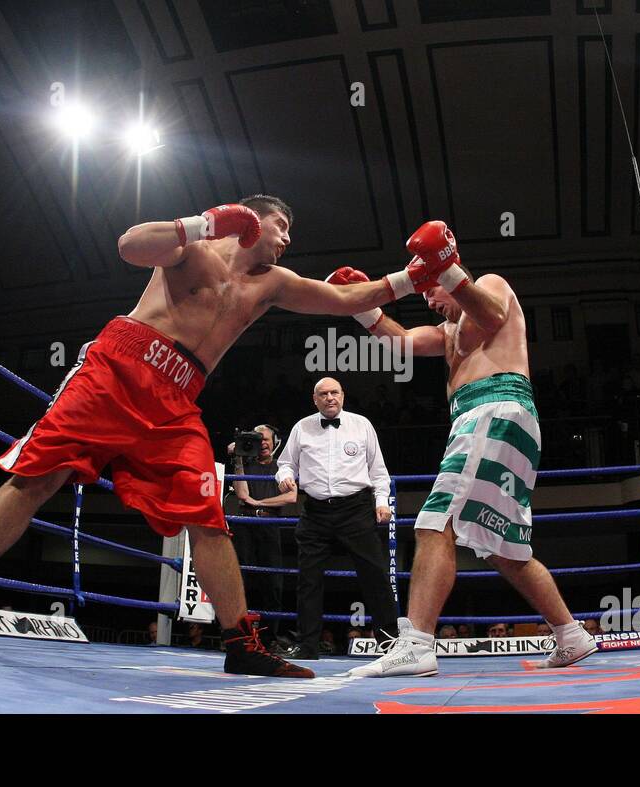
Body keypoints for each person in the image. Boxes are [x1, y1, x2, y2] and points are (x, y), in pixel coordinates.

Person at [0, 197, 457, 678]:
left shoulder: (272, 283)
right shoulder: (193, 249)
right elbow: (129, 245)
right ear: (251, 218)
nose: (288, 238)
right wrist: (202, 223)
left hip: (177, 399)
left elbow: (341, 299)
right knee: (38, 477)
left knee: (208, 515)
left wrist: (413, 276)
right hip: (119, 366)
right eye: (281, 225)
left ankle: (240, 643)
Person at [345, 222, 598, 677]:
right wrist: (361, 307)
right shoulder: (446, 335)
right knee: (503, 548)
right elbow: (399, 341)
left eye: (432, 288)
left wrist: (448, 270)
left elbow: (493, 315)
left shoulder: (488, 286)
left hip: (494, 410)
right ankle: (571, 635)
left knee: (434, 520)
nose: (428, 297)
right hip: (494, 421)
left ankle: (418, 643)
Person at [275, 377, 399, 660]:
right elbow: (285, 464)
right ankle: (308, 645)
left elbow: (378, 470)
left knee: (376, 575)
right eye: (323, 394)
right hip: (316, 511)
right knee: (308, 580)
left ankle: (390, 642)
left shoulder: (361, 425)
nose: (330, 397)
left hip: (356, 509)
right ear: (315, 398)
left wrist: (382, 501)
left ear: (342, 396)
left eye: (334, 392)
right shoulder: (302, 427)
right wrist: (284, 478)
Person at [227, 424, 293, 643]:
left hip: (269, 523)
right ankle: (237, 636)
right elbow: (243, 494)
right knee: (240, 580)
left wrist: (260, 502)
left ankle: (269, 639)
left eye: (266, 439)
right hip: (245, 523)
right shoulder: (245, 464)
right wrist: (237, 459)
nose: (263, 442)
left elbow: (291, 497)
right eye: (258, 439)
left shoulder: (282, 468)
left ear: (275, 442)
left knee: (273, 583)